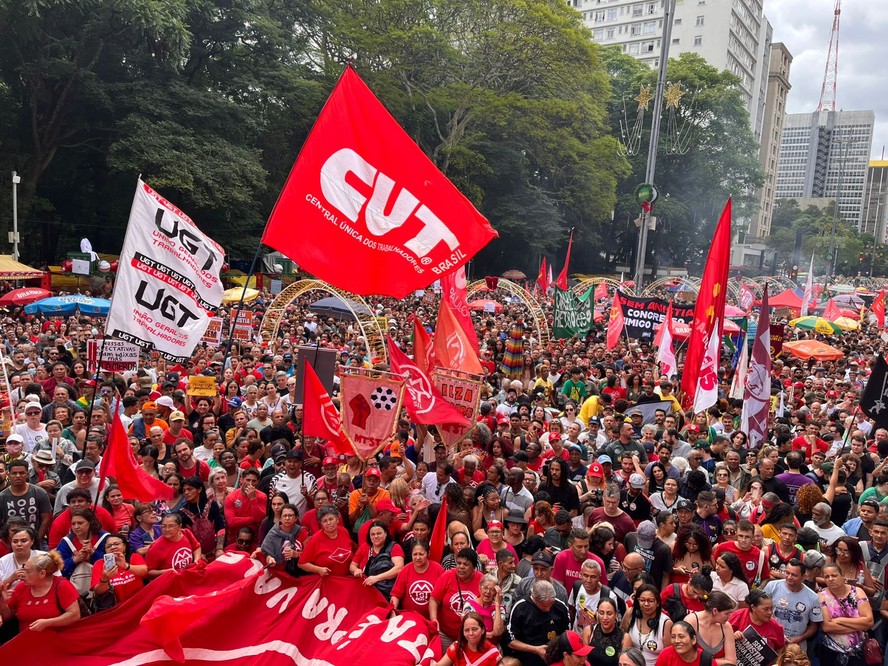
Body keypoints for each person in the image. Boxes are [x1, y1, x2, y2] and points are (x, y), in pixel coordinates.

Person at [0, 552, 80, 633]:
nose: (22, 575)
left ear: (42, 573)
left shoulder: (62, 585)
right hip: (27, 641)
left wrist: (47, 623)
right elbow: (7, 616)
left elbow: (74, 615)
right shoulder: (21, 587)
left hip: (57, 640)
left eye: (28, 572)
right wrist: (2, 600)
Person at [816, 562, 873, 666]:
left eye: (834, 575)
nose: (830, 579)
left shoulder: (857, 592)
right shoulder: (821, 596)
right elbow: (827, 627)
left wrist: (839, 620)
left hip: (858, 651)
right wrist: (859, 626)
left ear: (842, 575)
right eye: (826, 576)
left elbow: (869, 622)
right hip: (831, 652)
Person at [505, 579, 571, 666]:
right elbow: (510, 642)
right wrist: (535, 649)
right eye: (543, 606)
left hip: (554, 661)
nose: (548, 609)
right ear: (534, 598)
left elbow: (567, 637)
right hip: (527, 660)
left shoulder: (561, 607)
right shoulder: (520, 608)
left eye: (551, 605)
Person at [430, 547, 484, 649]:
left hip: (472, 637)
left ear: (474, 567)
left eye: (466, 564)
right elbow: (434, 599)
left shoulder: (481, 580)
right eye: (459, 563)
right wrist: (434, 619)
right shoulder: (447, 576)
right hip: (446, 635)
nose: (461, 567)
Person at [762, 559, 822, 649]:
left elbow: (814, 626)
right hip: (771, 640)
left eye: (794, 575)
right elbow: (760, 610)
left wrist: (800, 638)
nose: (789, 577)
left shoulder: (813, 597)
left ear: (803, 577)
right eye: (787, 573)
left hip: (796, 646)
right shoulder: (772, 586)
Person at [56, 507, 110, 596]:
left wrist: (93, 553)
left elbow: (111, 563)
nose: (76, 527)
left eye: (80, 523)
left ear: (91, 523)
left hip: (103, 585)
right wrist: (75, 560)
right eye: (73, 524)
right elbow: (58, 569)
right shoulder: (66, 542)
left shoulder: (105, 538)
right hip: (74, 589)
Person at [350, 520, 405, 600]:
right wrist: (355, 570)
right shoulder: (364, 547)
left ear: (386, 533)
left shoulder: (395, 547)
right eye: (372, 534)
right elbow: (352, 565)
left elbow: (399, 568)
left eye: (379, 533)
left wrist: (376, 578)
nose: (376, 536)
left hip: (387, 593)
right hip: (366, 592)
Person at [89, 532, 148, 606]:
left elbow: (144, 571)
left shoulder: (134, 557)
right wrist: (104, 579)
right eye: (109, 546)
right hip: (114, 607)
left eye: (116, 544)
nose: (113, 547)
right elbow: (98, 591)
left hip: (138, 603)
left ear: (124, 546)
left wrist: (126, 566)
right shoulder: (99, 564)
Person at [622, 583, 672, 666]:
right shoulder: (630, 613)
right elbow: (621, 637)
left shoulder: (666, 623)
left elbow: (669, 654)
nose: (646, 604)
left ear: (658, 603)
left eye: (650, 601)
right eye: (642, 600)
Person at [391, 540, 444, 619]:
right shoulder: (405, 570)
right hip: (409, 620)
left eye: (421, 554)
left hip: (432, 620)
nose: (418, 557)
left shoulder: (439, 570)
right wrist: (393, 612)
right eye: (415, 554)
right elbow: (395, 595)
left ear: (428, 553)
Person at [683, 591, 737, 666]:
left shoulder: (726, 626)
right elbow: (686, 657)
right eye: (726, 613)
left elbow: (731, 662)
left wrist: (703, 662)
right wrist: (720, 661)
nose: (730, 616)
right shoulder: (691, 621)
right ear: (715, 611)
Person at [298, 505, 354, 577]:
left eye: (331, 519)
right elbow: (301, 563)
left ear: (337, 520)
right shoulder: (315, 539)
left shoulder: (344, 531)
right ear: (321, 524)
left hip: (347, 578)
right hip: (327, 580)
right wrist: (318, 569)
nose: (328, 523)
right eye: (325, 521)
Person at [179, 476, 226, 560]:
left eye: (190, 489)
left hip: (216, 552)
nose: (186, 492)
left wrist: (219, 549)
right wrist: (197, 553)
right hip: (196, 555)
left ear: (199, 489)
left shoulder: (212, 504)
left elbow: (220, 527)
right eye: (184, 491)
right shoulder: (182, 511)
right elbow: (185, 537)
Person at [728, 589, 786, 655]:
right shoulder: (738, 615)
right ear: (753, 607)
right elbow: (720, 638)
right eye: (765, 609)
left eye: (771, 608)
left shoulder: (777, 627)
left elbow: (780, 651)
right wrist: (732, 636)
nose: (770, 612)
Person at [145, 512, 201, 579]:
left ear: (179, 526)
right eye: (163, 526)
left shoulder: (186, 533)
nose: (167, 529)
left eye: (171, 526)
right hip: (170, 582)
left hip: (190, 577)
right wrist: (166, 572)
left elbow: (196, 547)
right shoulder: (155, 547)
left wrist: (196, 561)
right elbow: (148, 573)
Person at [260, 502, 308, 577]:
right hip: (276, 572)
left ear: (296, 518)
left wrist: (296, 554)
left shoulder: (302, 532)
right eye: (284, 516)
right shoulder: (273, 533)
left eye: (290, 515)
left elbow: (310, 556)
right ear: (280, 519)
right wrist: (270, 559)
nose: (287, 518)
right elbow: (266, 553)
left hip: (297, 572)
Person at [435, 611, 500, 666]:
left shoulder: (493, 653)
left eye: (474, 629)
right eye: (466, 630)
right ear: (462, 632)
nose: (471, 633)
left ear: (482, 630)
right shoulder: (456, 648)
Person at [584, 597, 625, 666]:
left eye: (609, 614)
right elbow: (584, 660)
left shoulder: (624, 638)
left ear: (616, 615)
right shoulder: (589, 631)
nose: (605, 618)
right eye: (601, 613)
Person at [466, 574, 506, 642]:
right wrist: (486, 634)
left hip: (492, 647)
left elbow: (497, 632)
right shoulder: (469, 605)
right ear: (479, 588)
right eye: (485, 588)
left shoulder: (499, 608)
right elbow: (468, 631)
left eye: (492, 590)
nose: (488, 592)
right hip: (473, 645)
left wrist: (497, 604)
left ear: (496, 593)